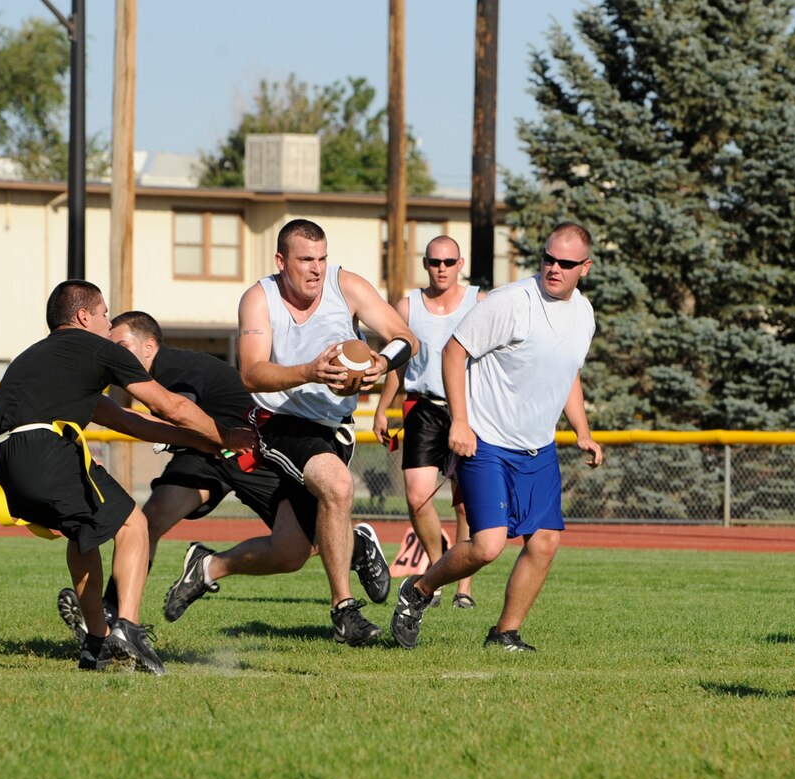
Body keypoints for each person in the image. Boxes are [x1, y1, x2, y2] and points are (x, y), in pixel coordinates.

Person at [55, 310, 392, 636]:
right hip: (209, 450)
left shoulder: (171, 365)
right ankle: (112, 611)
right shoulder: (147, 375)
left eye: (121, 345)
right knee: (150, 520)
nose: (115, 354)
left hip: (251, 450)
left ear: (149, 346)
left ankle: (357, 545)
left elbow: (177, 409)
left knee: (294, 552)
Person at [161, 219, 417, 648]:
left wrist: (382, 363)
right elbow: (251, 372)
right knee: (337, 487)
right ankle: (344, 611)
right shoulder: (259, 299)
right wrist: (309, 371)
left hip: (334, 429)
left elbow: (405, 336)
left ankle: (207, 567)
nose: (316, 270)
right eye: (305, 260)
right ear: (281, 261)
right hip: (280, 425)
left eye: (321, 259)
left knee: (291, 553)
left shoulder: (346, 285)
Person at [0, 280, 254, 674]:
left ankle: (96, 641)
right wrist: (224, 435)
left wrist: (202, 443)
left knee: (83, 535)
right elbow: (169, 405)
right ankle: (129, 627)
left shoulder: (40, 358)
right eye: (105, 314)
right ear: (83, 316)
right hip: (42, 449)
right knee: (135, 523)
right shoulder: (98, 348)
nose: (109, 325)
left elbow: (127, 421)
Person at [391, 222, 604, 651]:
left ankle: (504, 632)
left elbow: (569, 373)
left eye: (565, 263)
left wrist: (582, 431)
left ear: (585, 267)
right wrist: (461, 422)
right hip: (487, 441)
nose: (554, 268)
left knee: (544, 542)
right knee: (487, 545)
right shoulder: (512, 302)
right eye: (548, 258)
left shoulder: (583, 313)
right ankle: (418, 590)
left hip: (538, 447)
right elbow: (454, 352)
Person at [373, 235, 481, 609]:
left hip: (467, 409)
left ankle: (463, 587)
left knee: (465, 505)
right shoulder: (408, 306)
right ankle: (436, 571)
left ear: (460, 264)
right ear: (425, 264)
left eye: (449, 262)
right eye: (435, 262)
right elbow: (397, 362)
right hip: (422, 406)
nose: (442, 268)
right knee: (417, 498)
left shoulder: (479, 301)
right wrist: (383, 407)